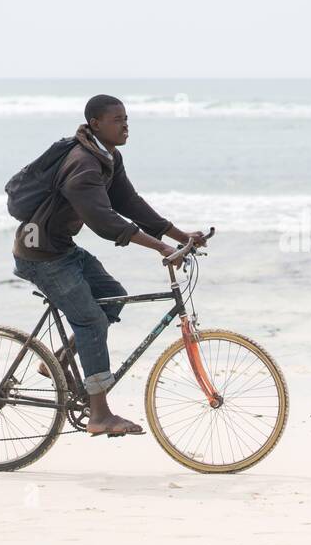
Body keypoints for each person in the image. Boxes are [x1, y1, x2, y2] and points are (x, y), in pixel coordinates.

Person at [12, 94, 207, 437]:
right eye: (117, 119)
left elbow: (128, 202)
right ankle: (99, 415)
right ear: (96, 124)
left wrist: (179, 235)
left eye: (126, 118)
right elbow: (104, 221)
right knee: (89, 320)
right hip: (41, 256)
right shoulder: (83, 165)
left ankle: (56, 360)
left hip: (60, 249)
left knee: (113, 298)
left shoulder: (106, 156)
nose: (126, 124)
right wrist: (160, 246)